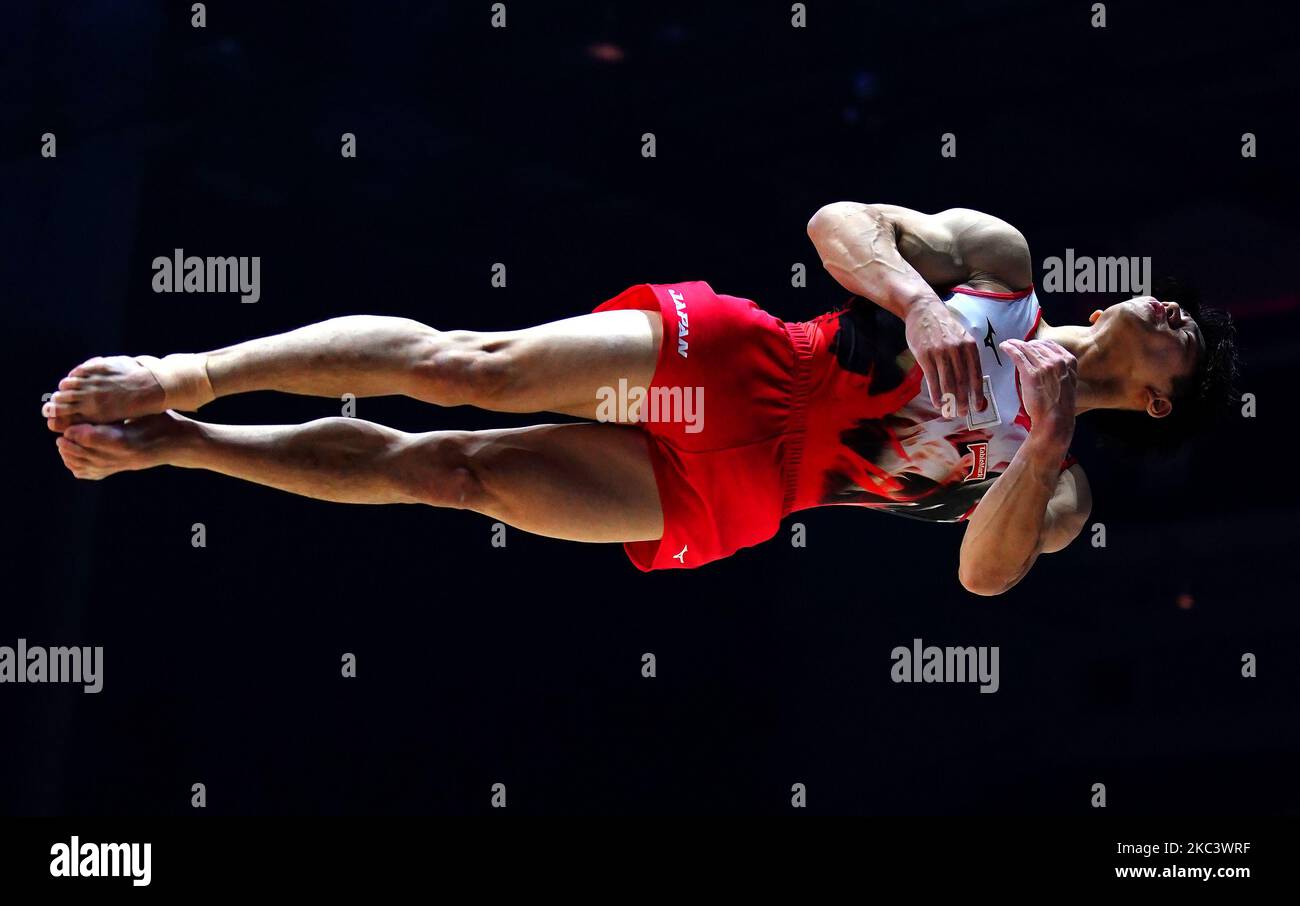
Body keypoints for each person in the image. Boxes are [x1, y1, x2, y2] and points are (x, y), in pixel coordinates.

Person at [43, 203, 1238, 594]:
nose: (1181, 313)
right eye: (1182, 304)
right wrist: (920, 306)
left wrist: (1040, 450)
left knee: (450, 478)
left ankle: (181, 447)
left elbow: (982, 576)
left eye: (1198, 345)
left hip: (741, 487)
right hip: (744, 363)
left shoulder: (1064, 485)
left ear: (1165, 404)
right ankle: (186, 373)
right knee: (470, 367)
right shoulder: (1005, 266)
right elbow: (839, 223)